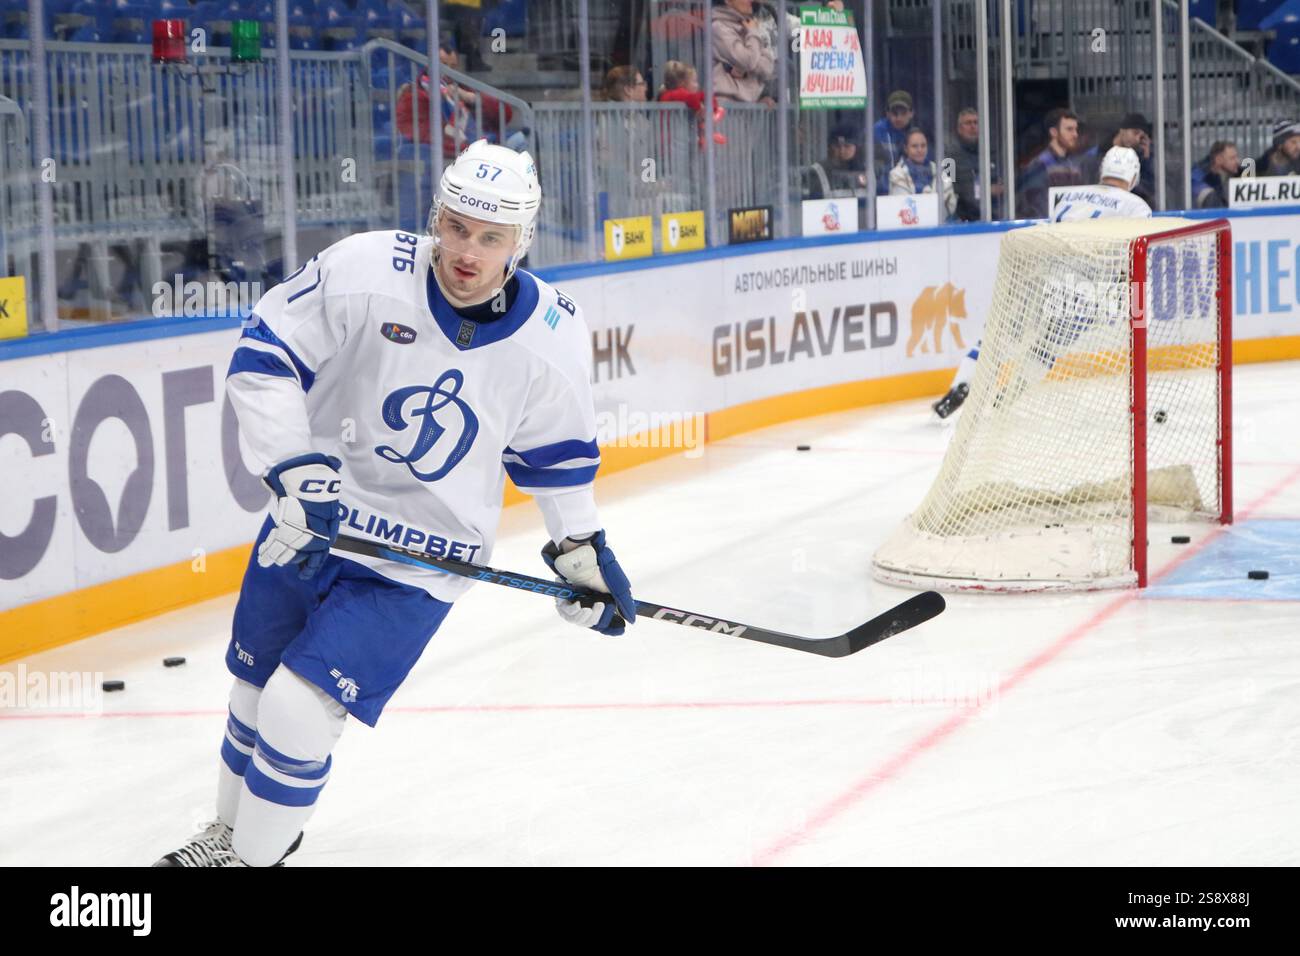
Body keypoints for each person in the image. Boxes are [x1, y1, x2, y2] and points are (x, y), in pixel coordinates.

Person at [154, 141, 637, 867]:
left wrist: (580, 551)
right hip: (310, 523)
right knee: (254, 688)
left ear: (521, 242)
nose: (467, 251)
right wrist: (294, 469)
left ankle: (255, 860)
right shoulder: (367, 268)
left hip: (419, 561)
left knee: (296, 707)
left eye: (490, 237)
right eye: (456, 227)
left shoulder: (551, 338)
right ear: (435, 217)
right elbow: (264, 355)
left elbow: (556, 461)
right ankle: (227, 839)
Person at [931, 146, 1149, 421]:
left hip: (1042, 276)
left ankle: (959, 387)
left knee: (997, 339)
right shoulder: (1137, 207)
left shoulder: (1071, 195)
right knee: (1047, 347)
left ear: (1103, 170)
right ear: (1134, 175)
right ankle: (1006, 399)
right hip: (1085, 291)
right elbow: (1132, 255)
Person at [1015, 108, 1085, 220]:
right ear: (1053, 132)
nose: (1075, 134)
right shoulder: (1039, 164)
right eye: (1069, 129)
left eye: (1076, 129)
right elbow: (1036, 208)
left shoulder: (1073, 164)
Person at [710, 0, 776, 104]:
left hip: (750, 106)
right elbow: (748, 60)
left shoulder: (749, 25)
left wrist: (746, 65)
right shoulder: (718, 27)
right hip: (727, 105)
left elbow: (768, 66)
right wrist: (753, 34)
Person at [947, 107, 1003, 221]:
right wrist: (987, 190)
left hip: (994, 216)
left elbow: (1002, 183)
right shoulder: (949, 157)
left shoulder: (990, 152)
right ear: (959, 128)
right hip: (963, 219)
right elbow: (950, 189)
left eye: (976, 122)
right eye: (968, 123)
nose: (973, 126)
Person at [888, 127, 956, 219]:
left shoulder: (940, 171)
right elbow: (904, 207)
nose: (919, 150)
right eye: (914, 146)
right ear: (906, 148)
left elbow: (950, 205)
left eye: (923, 145)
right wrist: (932, 199)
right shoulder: (896, 174)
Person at [658, 60, 727, 146]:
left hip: (674, 143)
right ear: (682, 83)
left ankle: (704, 137)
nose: (697, 85)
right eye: (694, 81)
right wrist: (701, 111)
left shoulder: (671, 95)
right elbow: (693, 98)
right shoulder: (675, 94)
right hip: (672, 145)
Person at [873, 90, 925, 194]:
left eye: (903, 113)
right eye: (894, 113)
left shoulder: (918, 135)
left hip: (911, 191)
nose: (899, 118)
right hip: (882, 194)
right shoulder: (876, 131)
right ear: (887, 113)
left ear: (911, 113)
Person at [803, 123, 867, 199]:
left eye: (847, 146)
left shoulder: (867, 170)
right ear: (830, 147)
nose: (842, 151)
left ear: (856, 147)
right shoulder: (818, 171)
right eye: (837, 146)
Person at [1191, 140, 1240, 209]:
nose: (1238, 161)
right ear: (1218, 159)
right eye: (1232, 158)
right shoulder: (1200, 180)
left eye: (1237, 157)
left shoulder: (1228, 177)